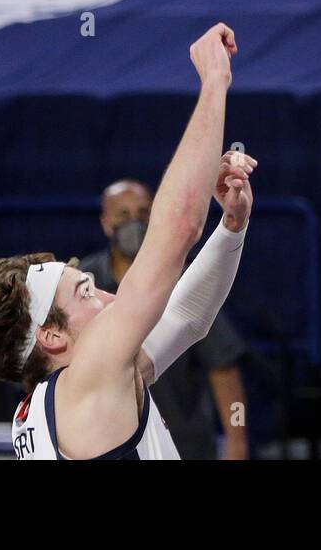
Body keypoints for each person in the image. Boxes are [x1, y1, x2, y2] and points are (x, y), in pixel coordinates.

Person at [0, 23, 254, 460]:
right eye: (86, 292)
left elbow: (189, 315)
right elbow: (176, 232)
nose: (107, 294)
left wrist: (232, 226)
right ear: (53, 336)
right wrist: (214, 82)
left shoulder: (60, 401)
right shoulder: (87, 382)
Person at [79, 178, 250, 460]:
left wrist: (237, 440)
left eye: (143, 213)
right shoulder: (84, 286)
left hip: (183, 448)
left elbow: (225, 370)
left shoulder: (181, 283)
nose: (134, 222)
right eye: (124, 215)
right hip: (106, 446)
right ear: (106, 222)